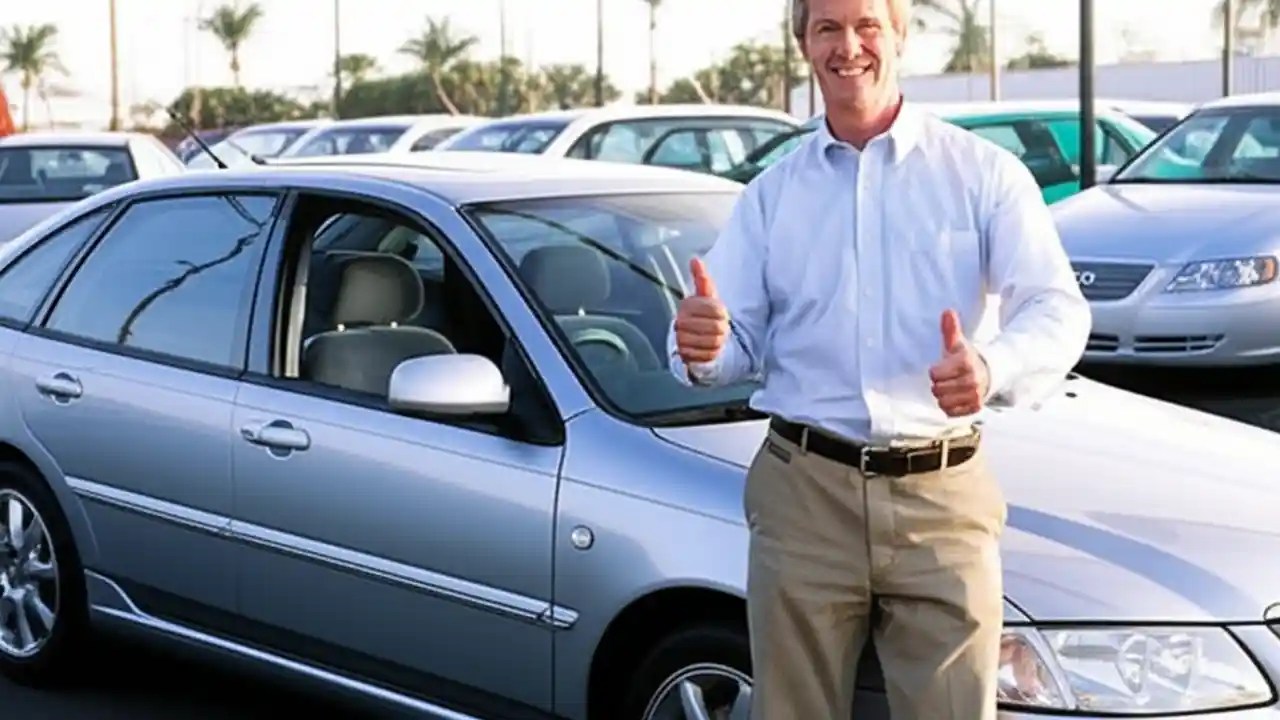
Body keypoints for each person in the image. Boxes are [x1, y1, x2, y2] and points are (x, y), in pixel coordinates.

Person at [666, 0, 1092, 717]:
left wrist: (991, 366)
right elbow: (733, 344)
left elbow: (1057, 308)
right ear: (804, 42)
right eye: (827, 26)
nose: (848, 45)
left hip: (942, 497)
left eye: (867, 24)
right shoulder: (772, 197)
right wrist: (703, 348)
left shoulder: (981, 174)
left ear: (899, 35)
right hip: (804, 496)